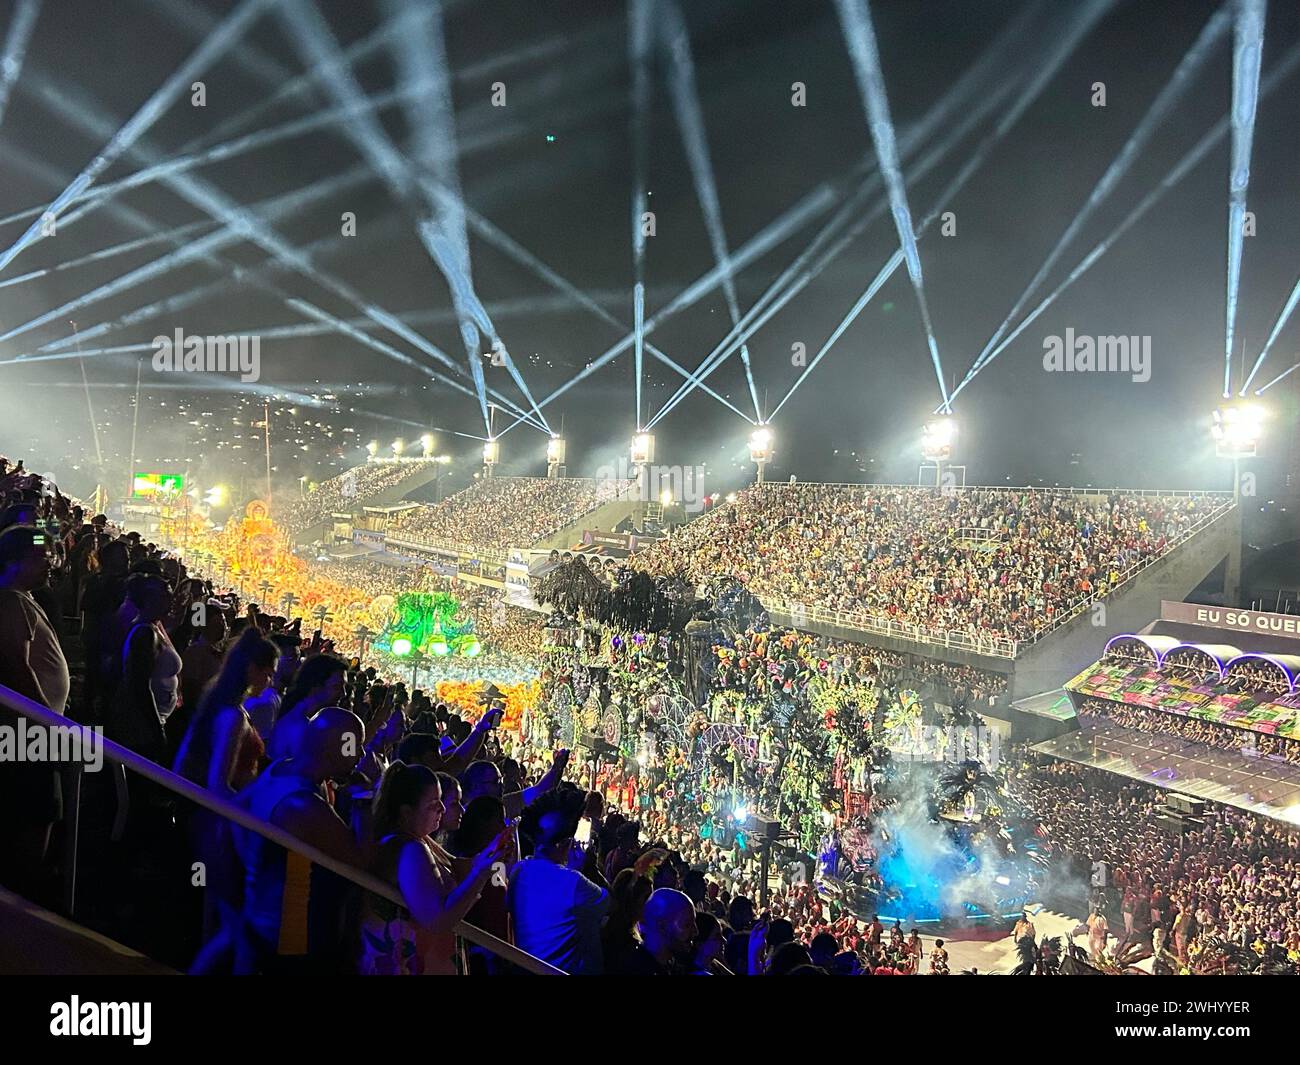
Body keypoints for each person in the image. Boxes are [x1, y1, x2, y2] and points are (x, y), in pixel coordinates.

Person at [235, 707, 368, 973]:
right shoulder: (302, 805)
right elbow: (361, 860)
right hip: (291, 936)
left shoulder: (280, 769)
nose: (362, 754)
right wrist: (365, 802)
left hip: (265, 917)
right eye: (356, 745)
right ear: (335, 746)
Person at [358, 762, 514, 975]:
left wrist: (493, 852)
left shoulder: (420, 841)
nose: (442, 808)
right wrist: (482, 872)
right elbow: (437, 918)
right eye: (434, 803)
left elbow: (459, 867)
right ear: (406, 812)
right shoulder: (410, 849)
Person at [0, 525, 69, 894]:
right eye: (41, 557)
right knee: (37, 813)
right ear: (14, 560)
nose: (50, 564)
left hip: (33, 732)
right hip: (28, 735)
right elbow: (17, 665)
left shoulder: (22, 599)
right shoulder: (11, 601)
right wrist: (50, 721)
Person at [507, 787, 610, 975]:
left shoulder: (518, 871)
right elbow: (609, 905)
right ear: (567, 843)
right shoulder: (574, 882)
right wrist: (589, 868)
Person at [610, 887, 696, 975]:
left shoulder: (674, 965)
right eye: (687, 924)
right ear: (662, 926)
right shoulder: (633, 969)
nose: (696, 932)